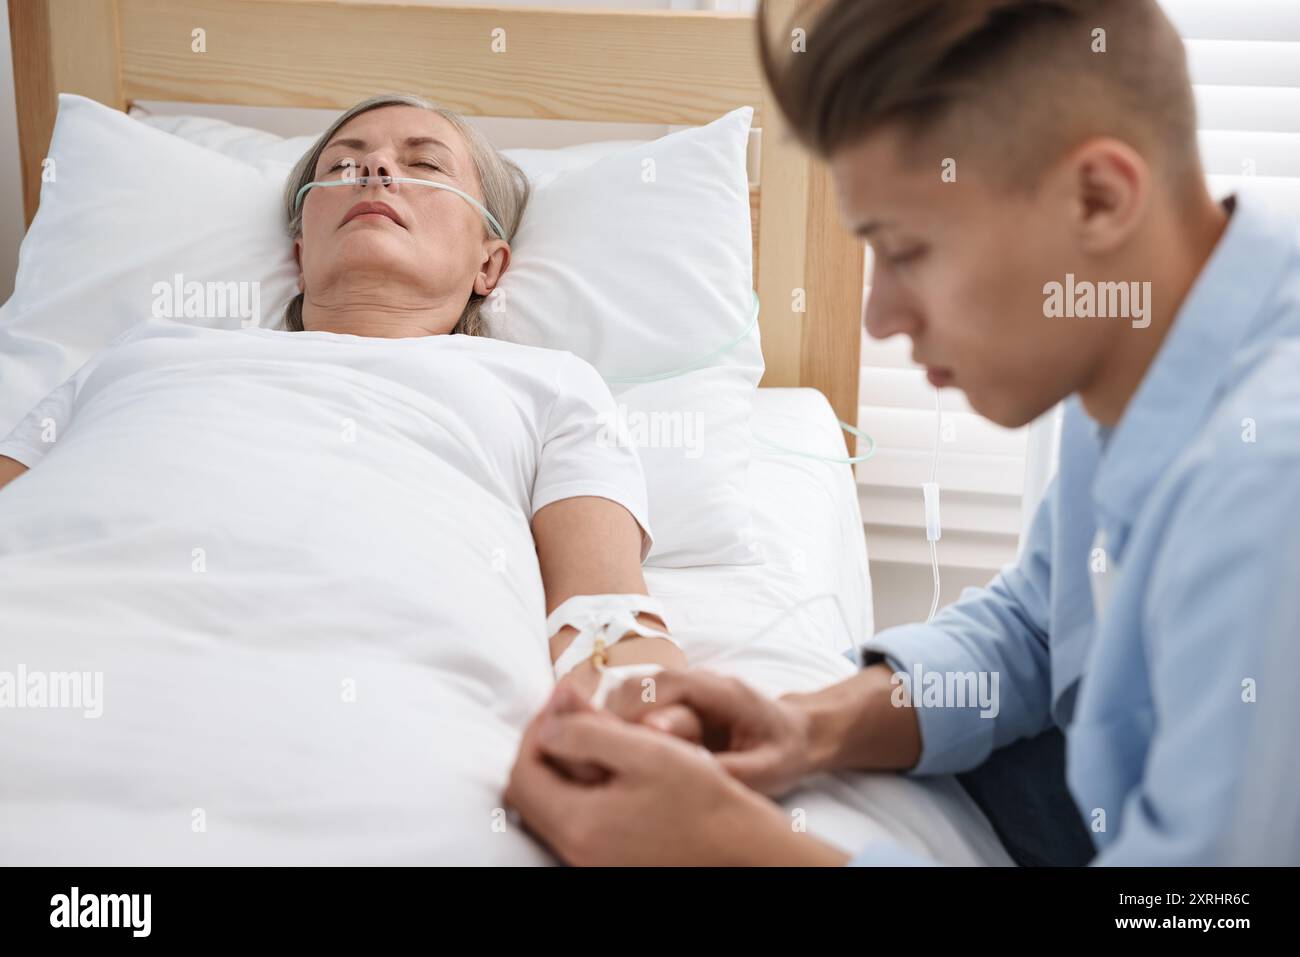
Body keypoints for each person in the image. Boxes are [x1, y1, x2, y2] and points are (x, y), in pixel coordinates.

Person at [505, 0, 1300, 866]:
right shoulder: (1142, 338)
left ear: (1099, 198)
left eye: (909, 250)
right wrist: (809, 722)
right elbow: (1041, 633)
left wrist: (738, 852)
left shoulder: (1265, 486)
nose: (879, 315)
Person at [0, 94, 683, 701]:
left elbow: (605, 615)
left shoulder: (548, 385)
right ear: (299, 250)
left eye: (425, 163)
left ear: (489, 262)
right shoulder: (143, 352)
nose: (377, 170)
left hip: (379, 699)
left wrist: (657, 720)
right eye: (342, 163)